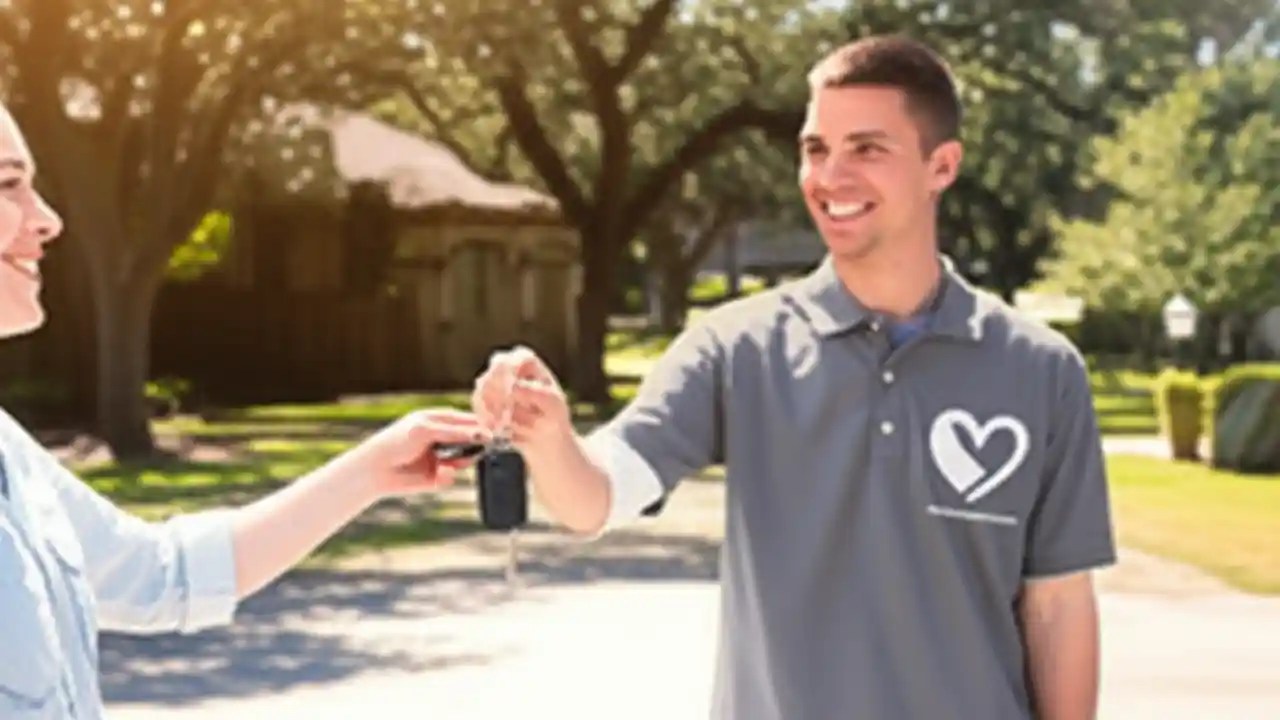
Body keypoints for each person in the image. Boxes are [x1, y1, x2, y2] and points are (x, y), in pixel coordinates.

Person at [473, 35, 1115, 720]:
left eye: (867, 149)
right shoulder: (733, 349)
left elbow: (1057, 604)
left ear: (942, 165)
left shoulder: (1041, 370)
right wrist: (548, 436)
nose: (830, 176)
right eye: (815, 149)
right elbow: (594, 498)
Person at [0, 105, 491, 719]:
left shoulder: (9, 452)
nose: (47, 220)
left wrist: (373, 470)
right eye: (8, 184)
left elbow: (164, 576)